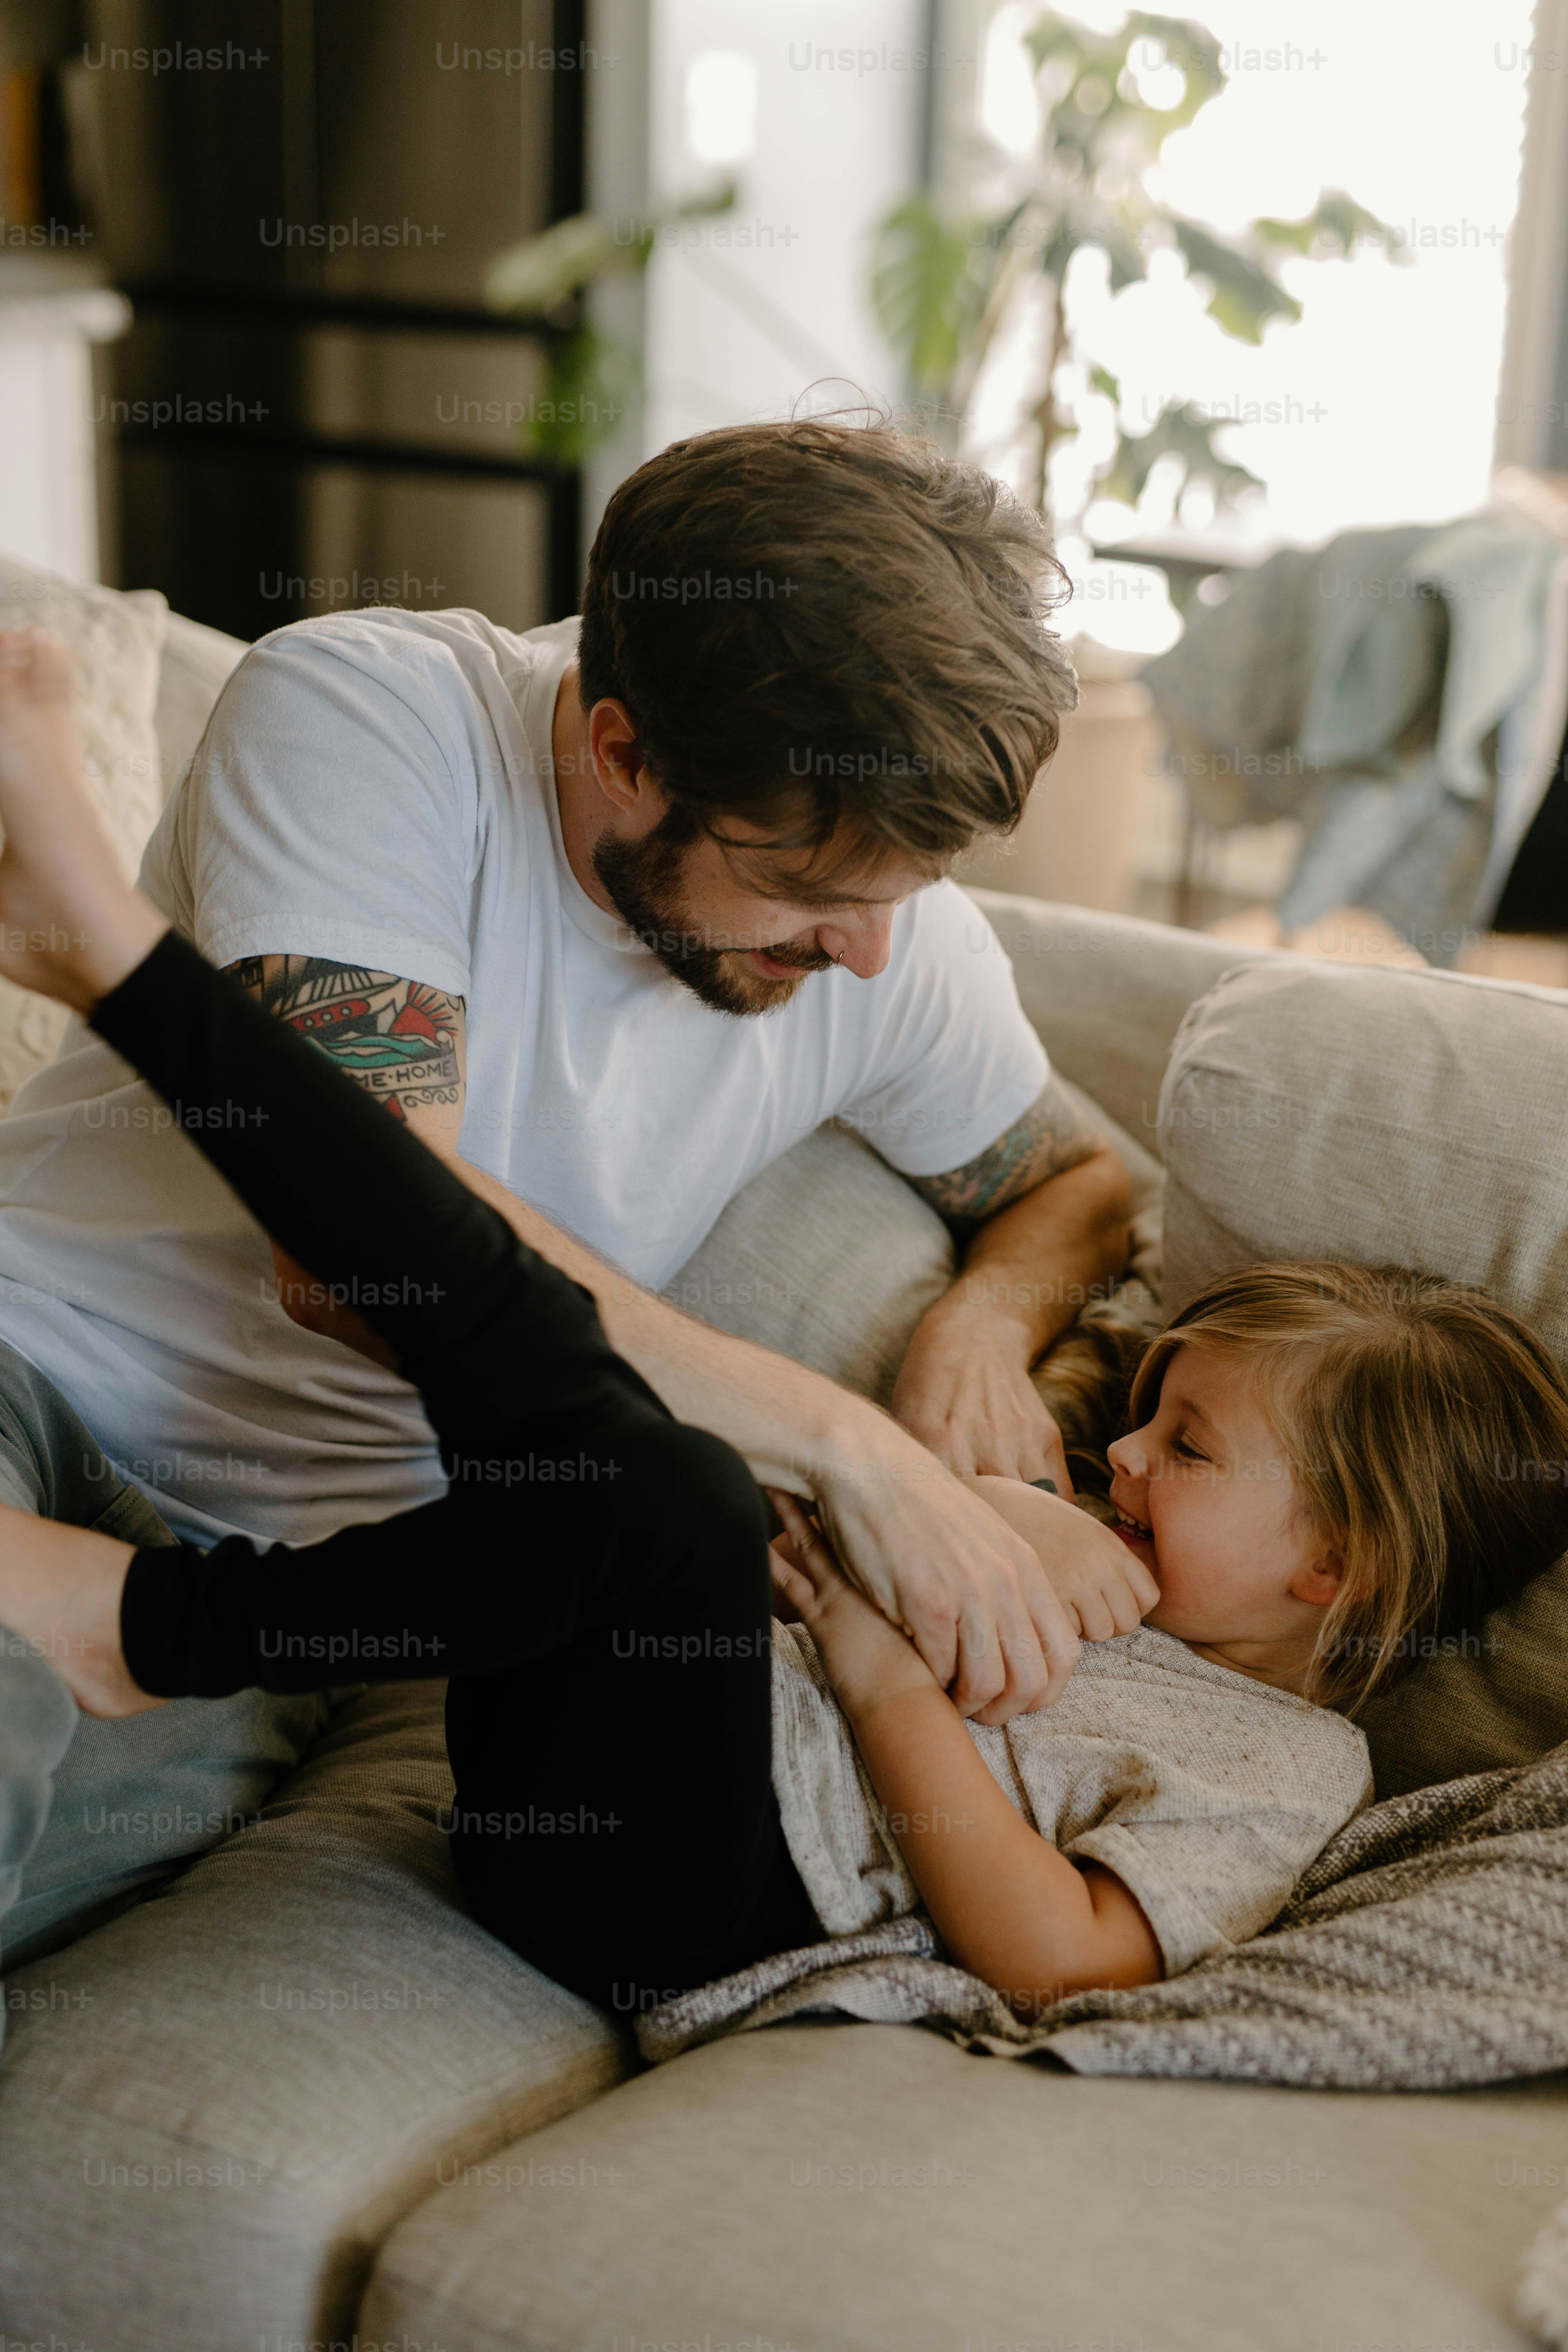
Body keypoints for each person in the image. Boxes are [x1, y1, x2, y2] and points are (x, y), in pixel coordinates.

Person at [2, 628, 1564, 2019]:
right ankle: (112, 970)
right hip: (507, 1680)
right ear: (623, 752)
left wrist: (894, 1617)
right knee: (603, 1415)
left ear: (1333, 1567)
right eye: (1154, 1416)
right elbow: (365, 1277)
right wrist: (928, 1488)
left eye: (1192, 1445)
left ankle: (150, 1611)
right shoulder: (383, 719)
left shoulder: (1294, 1764)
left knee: (651, 1475)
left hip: (687, 1899)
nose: (1131, 1454)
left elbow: (1056, 1955)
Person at [0, 415, 1134, 1728]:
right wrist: (853, 1448)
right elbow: (358, 1245)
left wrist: (984, 1329)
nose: (871, 955)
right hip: (40, 1372)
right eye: (808, 891)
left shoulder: (890, 941)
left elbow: (1080, 1181)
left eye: (912, 894)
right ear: (623, 755)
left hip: (322, 1599)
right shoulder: (374, 720)